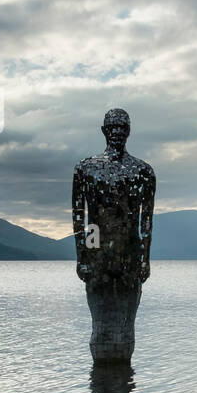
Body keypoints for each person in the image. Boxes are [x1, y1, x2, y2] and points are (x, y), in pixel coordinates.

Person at [72, 108, 155, 363]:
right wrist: (82, 257)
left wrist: (144, 258)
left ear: (128, 132)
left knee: (125, 328)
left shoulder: (143, 172)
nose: (117, 132)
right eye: (112, 127)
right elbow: (80, 218)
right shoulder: (86, 169)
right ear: (104, 131)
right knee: (101, 327)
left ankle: (120, 392)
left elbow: (146, 221)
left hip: (129, 256)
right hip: (97, 255)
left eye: (122, 127)